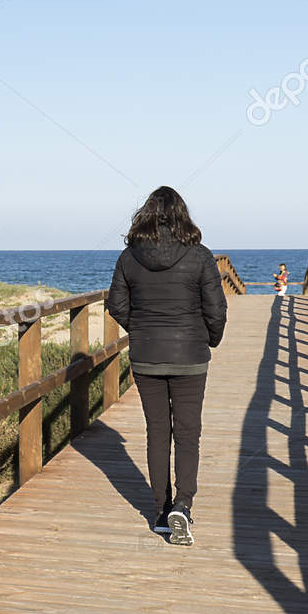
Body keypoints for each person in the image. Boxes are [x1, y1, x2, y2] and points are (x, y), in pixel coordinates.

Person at [105, 186, 227, 546]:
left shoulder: (129, 257)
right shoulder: (200, 256)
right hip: (190, 357)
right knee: (188, 433)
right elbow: (216, 308)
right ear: (182, 215)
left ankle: (160, 510)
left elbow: (116, 304)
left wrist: (140, 330)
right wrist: (209, 338)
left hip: (146, 357)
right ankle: (183, 506)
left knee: (157, 431)